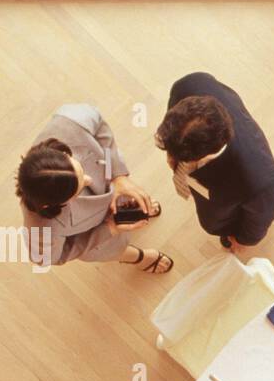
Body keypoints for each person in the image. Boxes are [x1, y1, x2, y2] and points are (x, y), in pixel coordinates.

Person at [17, 104, 171, 272]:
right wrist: (110, 229)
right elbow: (50, 258)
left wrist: (118, 176)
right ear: (50, 206)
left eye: (81, 171)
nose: (89, 180)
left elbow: (98, 121)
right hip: (98, 237)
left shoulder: (68, 122)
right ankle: (137, 257)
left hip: (117, 193)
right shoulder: (41, 229)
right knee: (115, 249)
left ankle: (133, 210)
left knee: (135, 202)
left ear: (63, 153)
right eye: (78, 189)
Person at [157, 72, 274, 254]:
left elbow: (259, 219)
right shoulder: (189, 84)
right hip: (206, 183)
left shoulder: (259, 181)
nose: (169, 159)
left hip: (228, 206)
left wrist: (242, 239)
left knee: (253, 206)